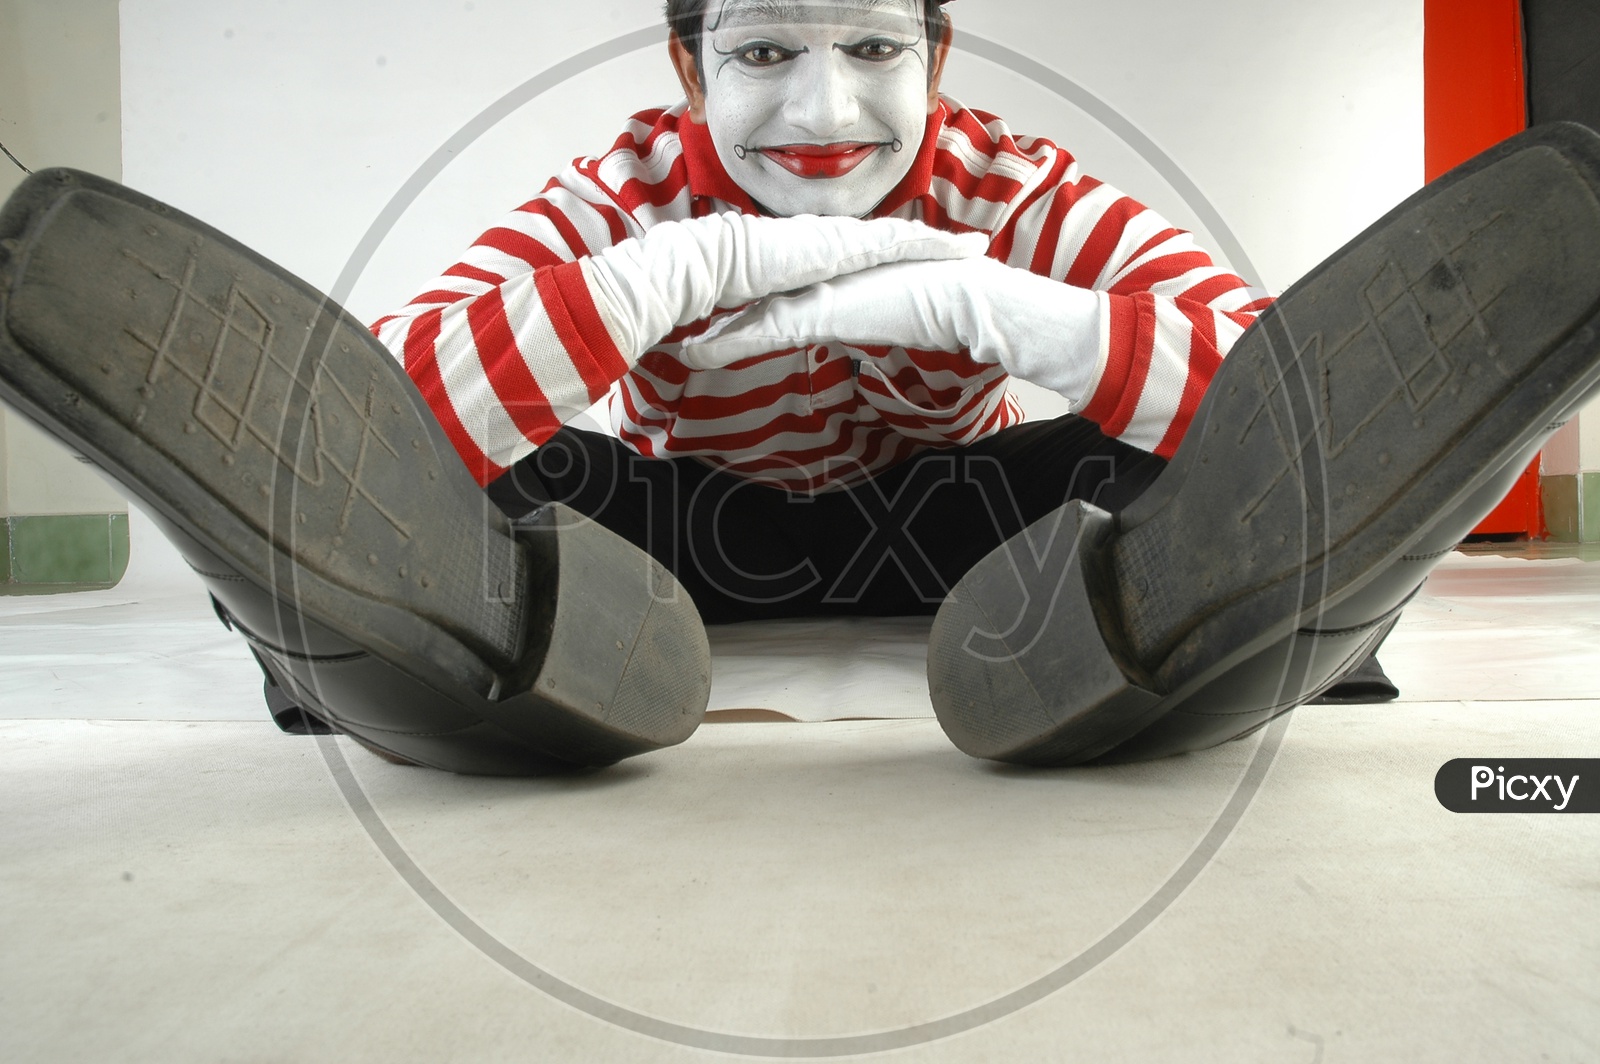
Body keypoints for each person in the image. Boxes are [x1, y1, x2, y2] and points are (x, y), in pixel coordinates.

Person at [2, 0, 1597, 773]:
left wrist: (1011, 311)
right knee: (450, 462)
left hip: (970, 532)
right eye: (765, 54)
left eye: (870, 49)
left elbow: (1273, 386)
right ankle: (404, 650)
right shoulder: (630, 185)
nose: (825, 107)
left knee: (1202, 439)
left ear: (937, 59)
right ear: (693, 74)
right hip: (678, 539)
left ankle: (1236, 629)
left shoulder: (1003, 184)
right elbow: (382, 402)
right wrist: (661, 280)